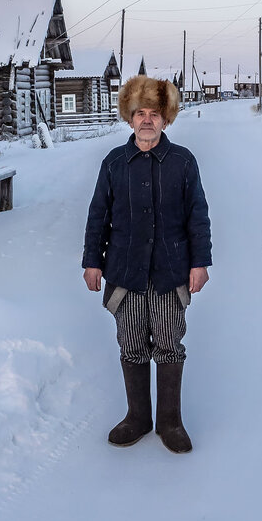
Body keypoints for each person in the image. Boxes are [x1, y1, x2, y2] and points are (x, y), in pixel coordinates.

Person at [83, 75, 212, 453]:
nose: (147, 120)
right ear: (129, 117)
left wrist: (199, 262)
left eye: (154, 113)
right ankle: (138, 417)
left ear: (166, 118)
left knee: (170, 343)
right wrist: (92, 262)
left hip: (171, 272)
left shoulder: (183, 162)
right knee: (132, 343)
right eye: (140, 113)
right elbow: (97, 217)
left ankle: (170, 422)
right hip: (125, 272)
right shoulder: (114, 163)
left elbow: (197, 216)